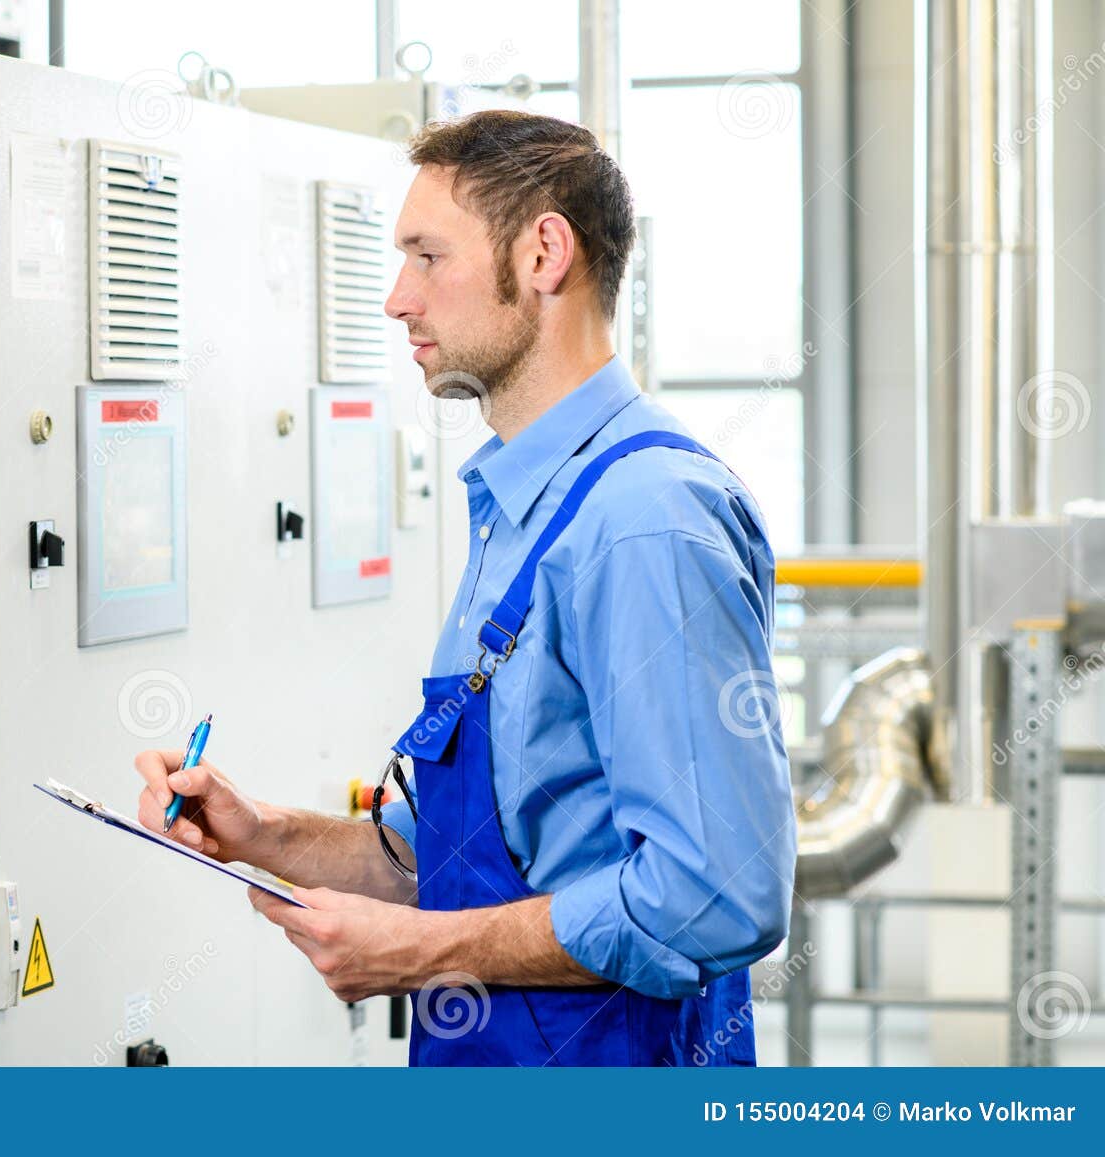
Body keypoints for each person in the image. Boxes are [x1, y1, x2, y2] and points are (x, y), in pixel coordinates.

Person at [135, 110, 795, 1067]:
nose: (399, 299)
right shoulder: (522, 504)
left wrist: (420, 951)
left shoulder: (644, 521)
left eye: (426, 257)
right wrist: (260, 830)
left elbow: (716, 894)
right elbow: (470, 856)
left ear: (543, 254)